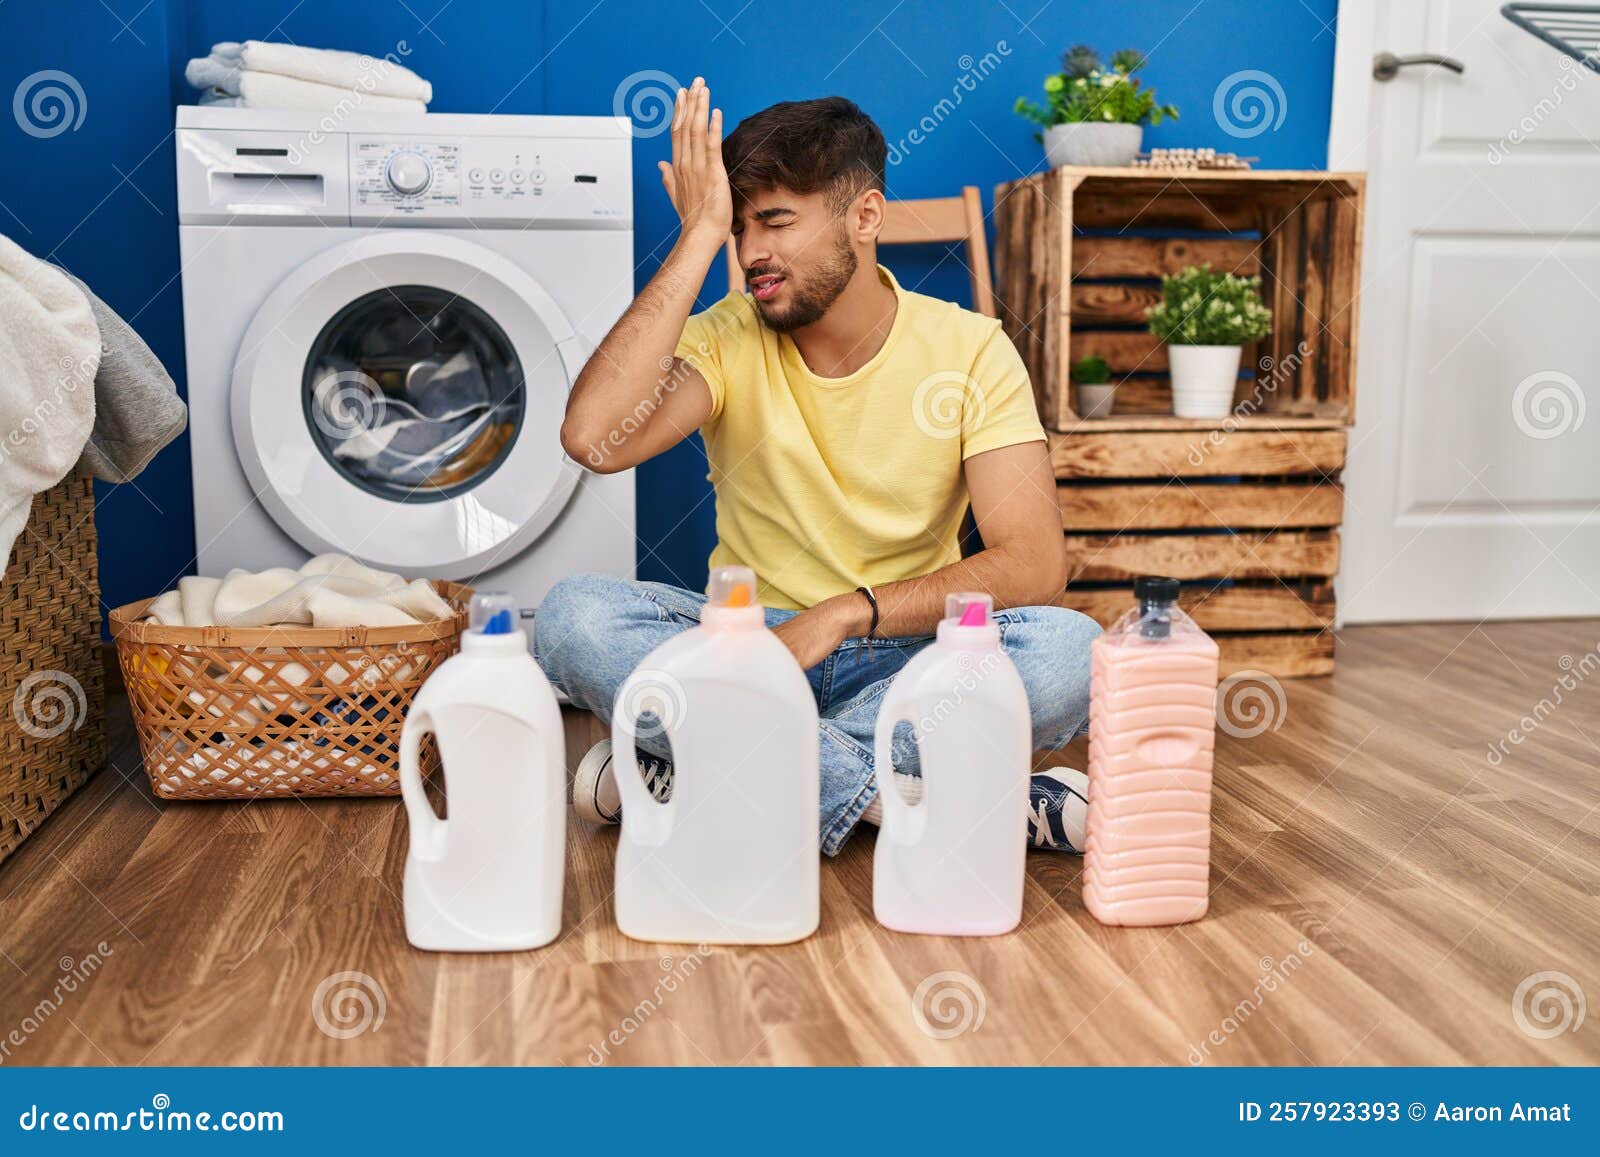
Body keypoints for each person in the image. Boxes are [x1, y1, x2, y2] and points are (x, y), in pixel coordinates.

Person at [537, 80, 1099, 857]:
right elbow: (592, 437)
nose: (752, 251)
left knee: (1070, 650)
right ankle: (911, 801)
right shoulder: (729, 336)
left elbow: (1036, 563)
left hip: (908, 654)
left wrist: (842, 614)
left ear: (864, 216)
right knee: (570, 619)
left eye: (774, 221)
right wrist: (697, 240)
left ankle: (699, 763)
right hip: (746, 650)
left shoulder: (971, 349)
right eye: (739, 227)